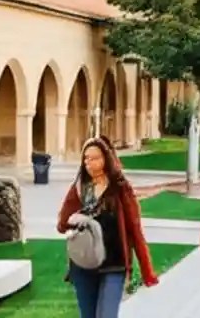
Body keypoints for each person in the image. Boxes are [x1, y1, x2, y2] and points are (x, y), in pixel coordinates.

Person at [57, 135, 158, 318]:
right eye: (86, 158)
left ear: (106, 159)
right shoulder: (80, 188)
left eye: (94, 158)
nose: (89, 163)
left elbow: (135, 229)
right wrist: (77, 218)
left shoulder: (120, 187)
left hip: (114, 264)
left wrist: (147, 270)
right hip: (84, 265)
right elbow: (62, 224)